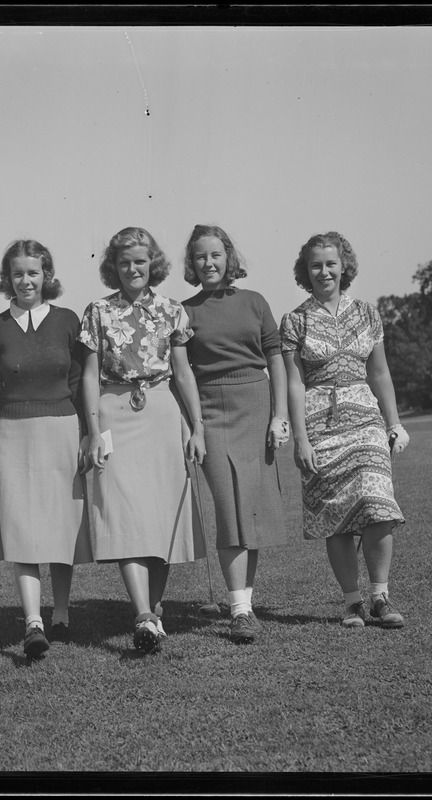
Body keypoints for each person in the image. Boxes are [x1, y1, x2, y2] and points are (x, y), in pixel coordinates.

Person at [79, 226, 206, 654]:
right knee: (125, 514)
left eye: (140, 261)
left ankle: (153, 612)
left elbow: (184, 373)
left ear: (153, 263)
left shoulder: (172, 310)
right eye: (124, 262)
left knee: (161, 515)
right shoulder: (97, 311)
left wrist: (197, 426)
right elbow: (89, 377)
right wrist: (93, 431)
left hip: (162, 413)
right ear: (112, 267)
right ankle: (143, 615)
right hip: (114, 415)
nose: (133, 269)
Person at [279, 232, 410, 629]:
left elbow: (380, 372)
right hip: (318, 425)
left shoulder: (368, 313)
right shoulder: (295, 320)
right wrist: (300, 438)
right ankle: (352, 603)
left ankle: (380, 598)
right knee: (334, 514)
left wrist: (394, 422)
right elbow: (295, 384)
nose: (324, 272)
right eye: (316, 265)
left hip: (365, 419)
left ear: (344, 267)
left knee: (377, 502)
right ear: (305, 271)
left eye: (331, 264)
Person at [0, 239, 92, 660]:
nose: (25, 281)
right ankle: (33, 622)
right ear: (6, 279)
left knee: (61, 527)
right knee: (22, 530)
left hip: (63, 431)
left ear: (47, 275)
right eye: (17, 274)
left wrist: (87, 433)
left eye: (33, 272)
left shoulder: (67, 321)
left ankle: (60, 614)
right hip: (13, 437)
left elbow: (79, 382)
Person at [181, 224, 292, 644]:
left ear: (229, 257)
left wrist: (279, 416)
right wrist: (195, 425)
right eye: (200, 257)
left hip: (257, 405)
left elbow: (275, 359)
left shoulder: (255, 301)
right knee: (230, 507)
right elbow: (181, 372)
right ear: (191, 264)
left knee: (253, 508)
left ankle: (243, 602)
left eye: (215, 255)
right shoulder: (184, 311)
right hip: (211, 409)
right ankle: (240, 610)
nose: (208, 263)